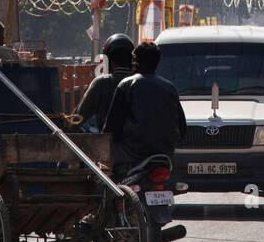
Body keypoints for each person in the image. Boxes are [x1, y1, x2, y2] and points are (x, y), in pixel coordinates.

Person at [104, 41, 187, 172]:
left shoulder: (126, 85)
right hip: (165, 152)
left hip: (132, 153)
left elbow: (112, 126)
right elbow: (182, 126)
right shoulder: (169, 87)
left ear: (135, 61)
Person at [78, 34, 135, 135]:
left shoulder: (101, 83)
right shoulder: (141, 82)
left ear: (108, 60)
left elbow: (78, 118)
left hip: (110, 144)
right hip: (140, 144)